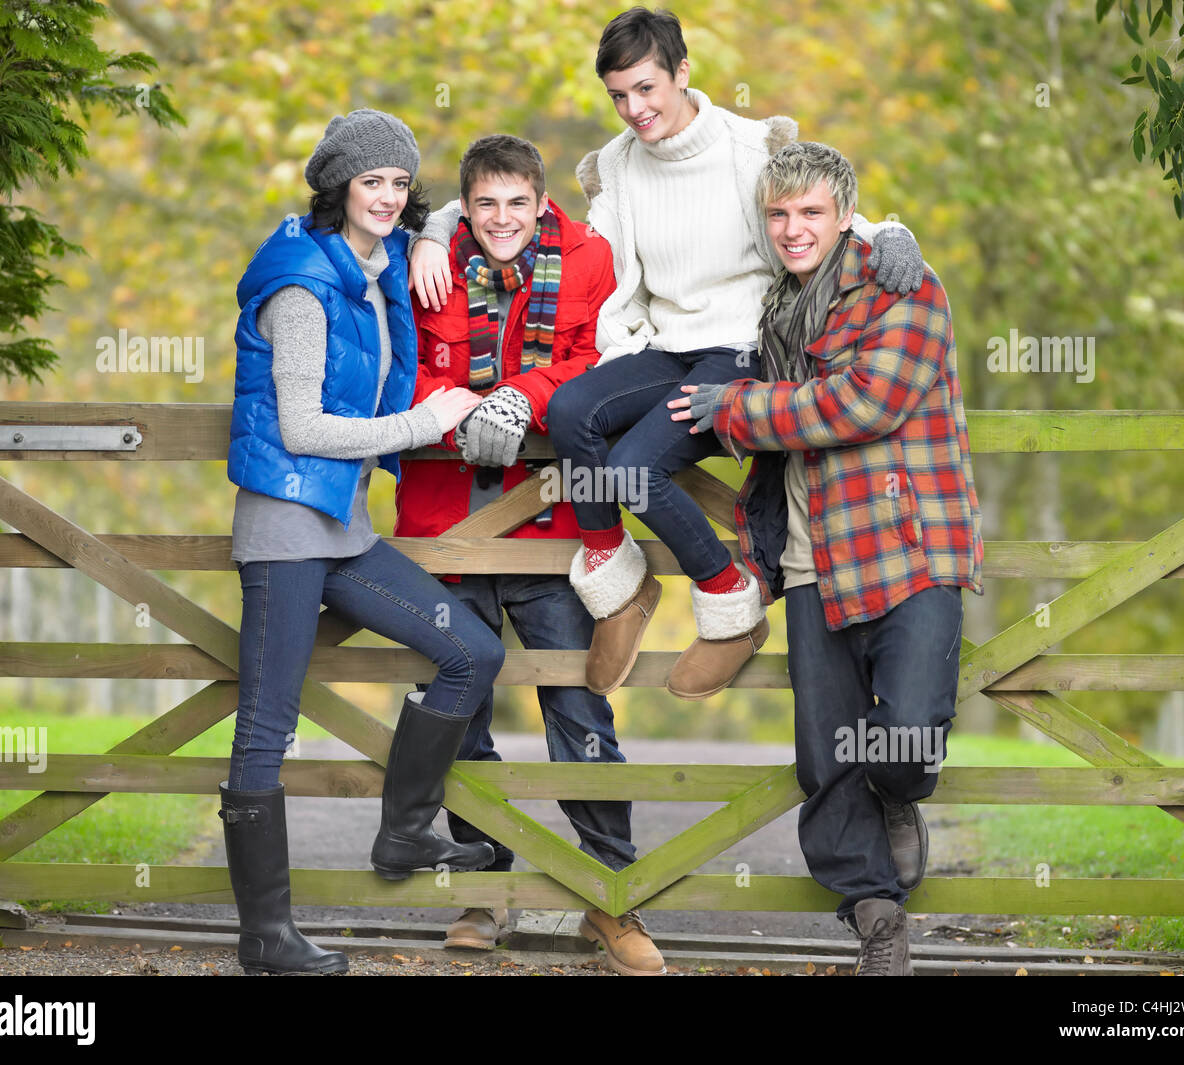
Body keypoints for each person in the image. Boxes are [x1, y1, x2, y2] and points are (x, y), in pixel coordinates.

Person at [412, 6, 924, 705]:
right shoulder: (619, 164)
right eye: (618, 95)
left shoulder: (748, 149)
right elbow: (557, 234)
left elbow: (816, 206)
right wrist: (440, 226)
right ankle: (617, 585)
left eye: (647, 89)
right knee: (569, 410)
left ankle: (730, 597)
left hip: (742, 351)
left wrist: (890, 231)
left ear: (683, 73)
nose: (634, 109)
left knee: (632, 469)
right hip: (665, 347)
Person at [670, 141, 983, 976]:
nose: (792, 229)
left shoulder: (903, 285)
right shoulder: (771, 306)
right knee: (826, 754)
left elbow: (864, 401)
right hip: (809, 560)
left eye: (810, 212)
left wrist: (736, 408)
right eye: (778, 214)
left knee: (909, 735)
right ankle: (877, 917)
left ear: (847, 214)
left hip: (907, 546)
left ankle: (898, 793)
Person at [222, 109, 506, 976]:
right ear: (336, 188)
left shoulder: (373, 264)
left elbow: (478, 216)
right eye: (369, 182)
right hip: (283, 529)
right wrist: (424, 419)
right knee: (265, 729)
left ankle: (405, 831)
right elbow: (303, 427)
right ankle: (265, 936)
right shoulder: (305, 287)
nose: (385, 197)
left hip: (341, 528)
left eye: (397, 184)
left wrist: (432, 231)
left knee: (470, 651)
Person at [393, 133, 664, 976]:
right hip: (446, 524)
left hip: (548, 526)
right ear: (463, 211)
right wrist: (457, 403)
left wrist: (523, 393)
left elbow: (598, 359)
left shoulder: (589, 259)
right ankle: (484, 882)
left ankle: (609, 894)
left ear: (543, 204)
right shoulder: (423, 264)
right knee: (459, 710)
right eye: (484, 205)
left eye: (518, 202)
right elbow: (393, 366)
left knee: (580, 712)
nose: (502, 218)